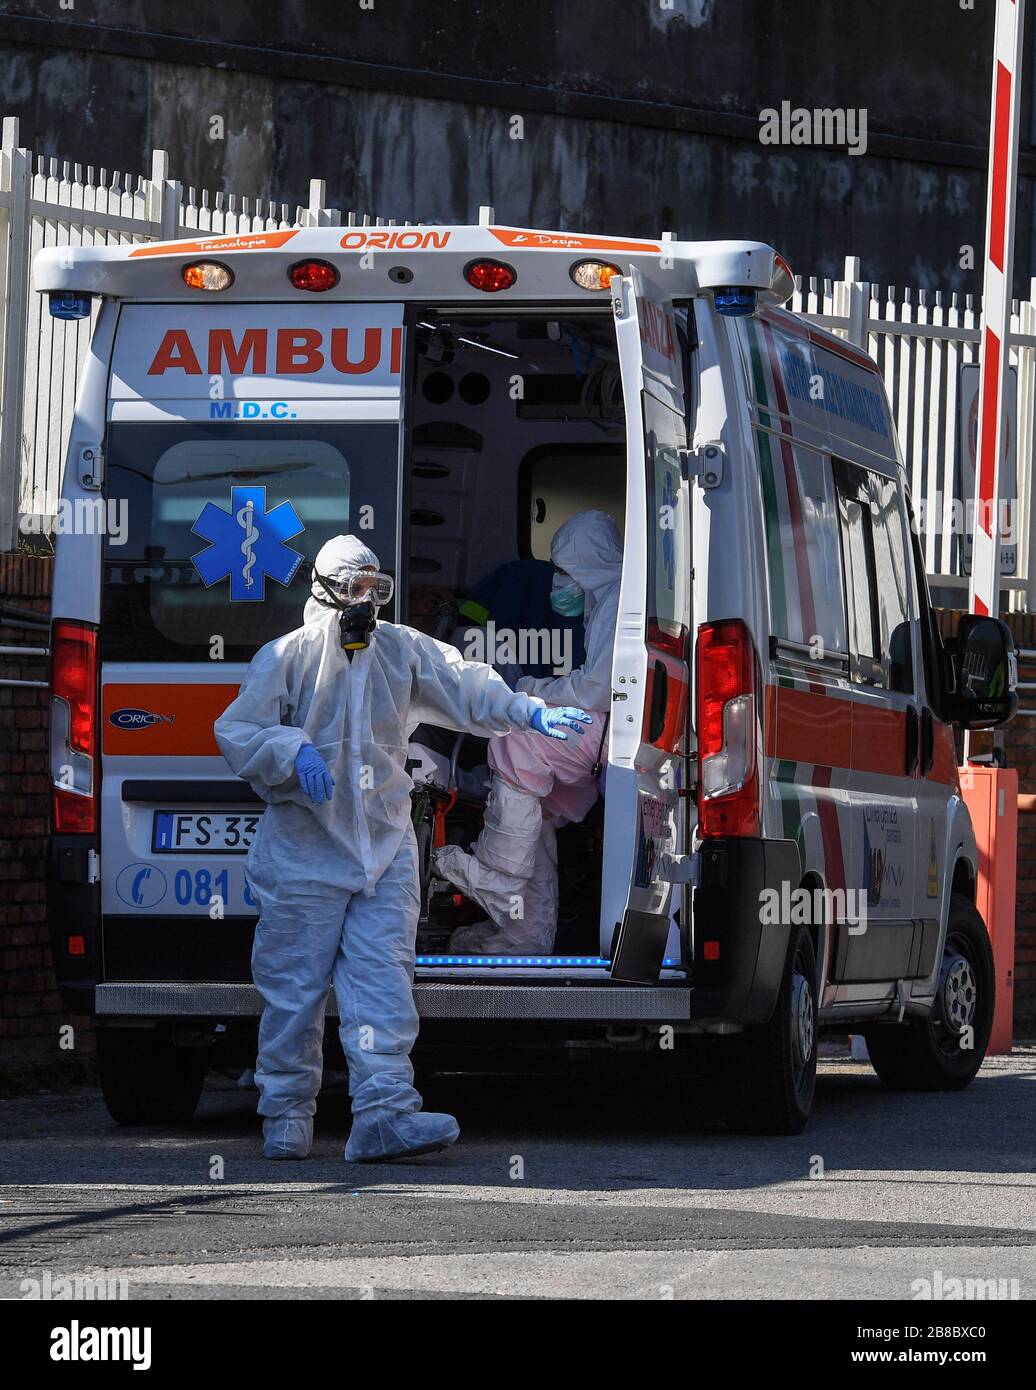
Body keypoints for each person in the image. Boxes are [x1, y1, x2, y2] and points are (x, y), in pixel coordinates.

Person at [214, 534, 589, 1163]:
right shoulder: (286, 658)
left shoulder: (399, 652)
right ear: (324, 590)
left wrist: (526, 711)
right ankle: (286, 1111)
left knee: (384, 983)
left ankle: (384, 1114)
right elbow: (238, 730)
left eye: (374, 589)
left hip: (383, 848)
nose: (365, 602)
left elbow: (464, 684)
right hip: (305, 854)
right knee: (293, 990)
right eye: (353, 589)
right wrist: (290, 750)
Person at [432, 510, 623, 955]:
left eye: (563, 571)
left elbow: (598, 688)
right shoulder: (604, 601)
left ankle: (498, 878)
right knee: (532, 821)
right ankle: (523, 934)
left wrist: (536, 690)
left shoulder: (615, 604)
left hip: (607, 730)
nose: (556, 581)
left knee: (514, 737)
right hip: (608, 734)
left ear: (587, 566)